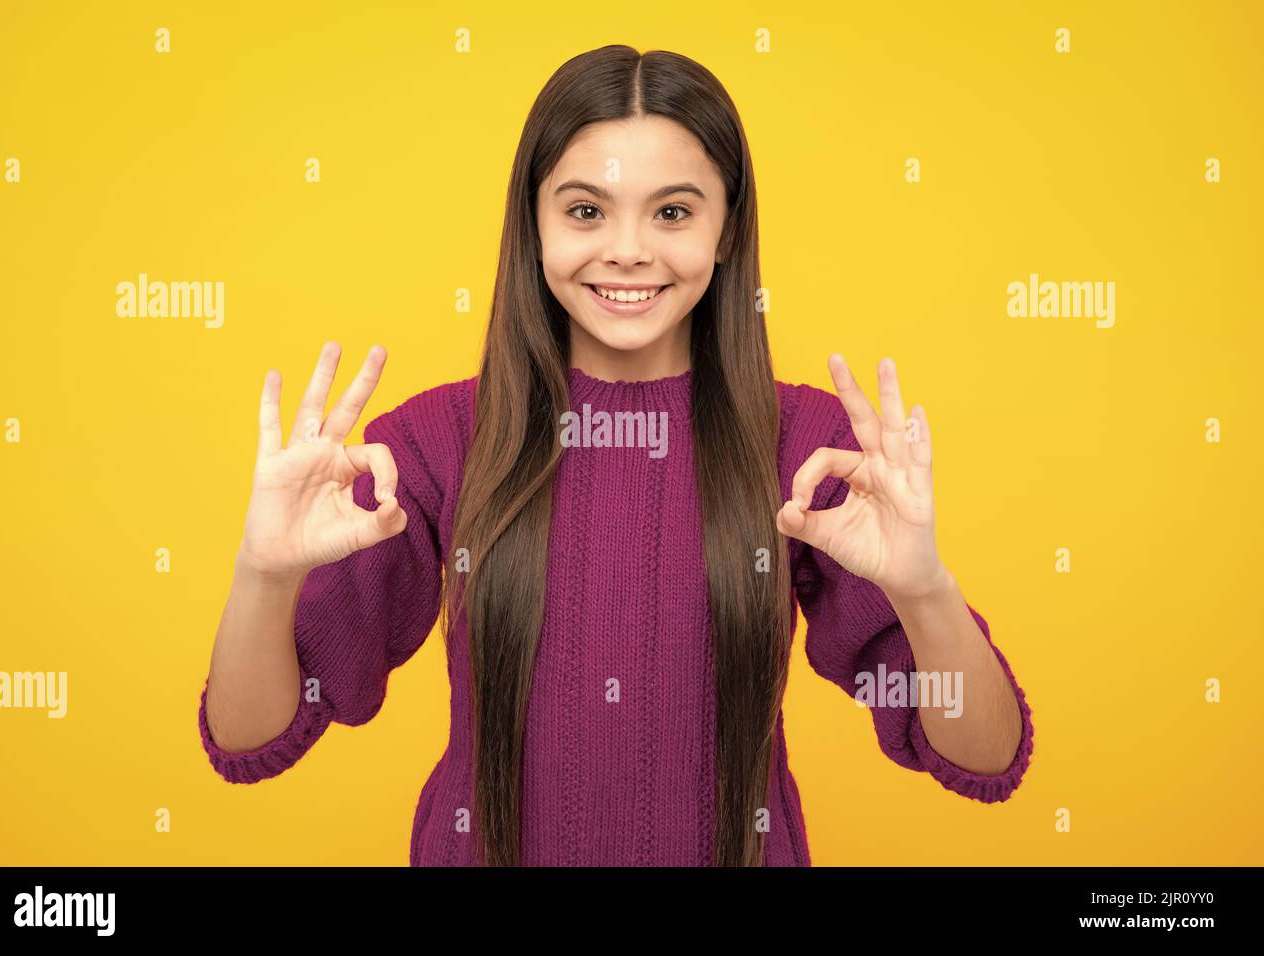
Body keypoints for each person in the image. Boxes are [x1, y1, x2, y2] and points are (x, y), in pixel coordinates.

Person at [198, 44, 1034, 867]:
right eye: (586, 210)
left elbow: (983, 755)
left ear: (727, 227)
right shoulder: (436, 443)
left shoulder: (811, 452)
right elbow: (249, 738)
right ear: (533, 222)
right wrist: (263, 573)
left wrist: (924, 589)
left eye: (673, 212)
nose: (628, 249)